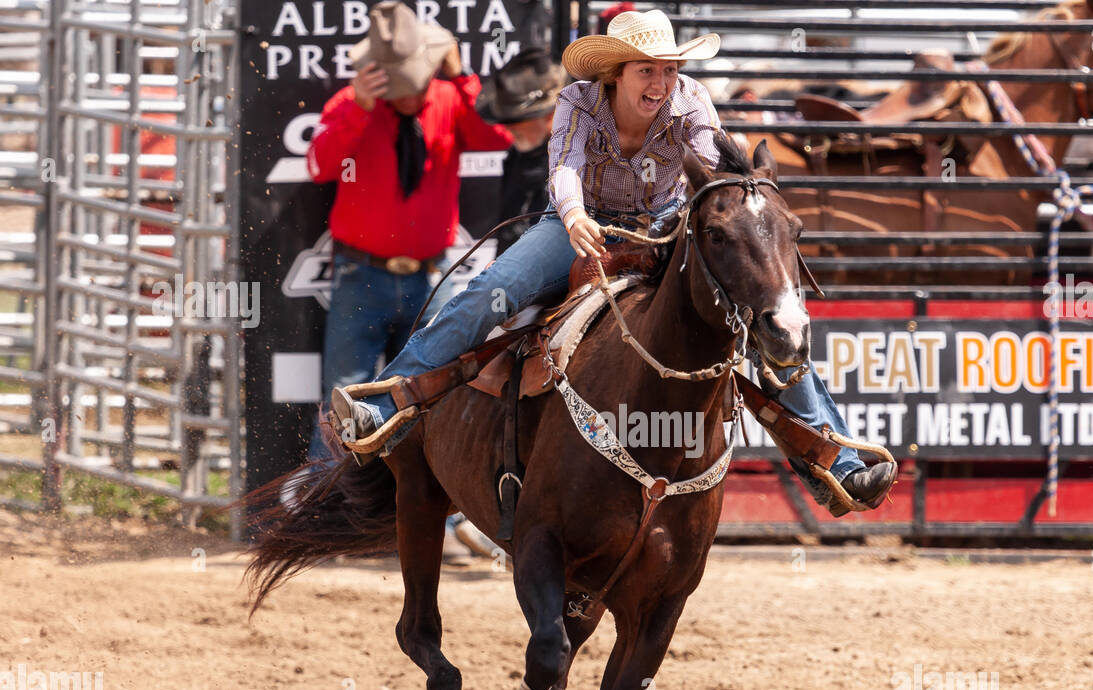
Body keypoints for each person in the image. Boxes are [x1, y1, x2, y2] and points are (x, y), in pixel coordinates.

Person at [330, 8, 894, 515]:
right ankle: (386, 402)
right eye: (647, 70)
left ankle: (833, 459)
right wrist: (573, 215)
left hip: (669, 228)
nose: (662, 81)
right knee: (490, 292)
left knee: (766, 316)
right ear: (617, 73)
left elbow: (706, 165)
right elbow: (566, 166)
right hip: (580, 227)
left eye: (669, 69)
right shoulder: (577, 99)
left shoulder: (691, 101)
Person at [303, 0, 514, 462]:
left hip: (431, 274)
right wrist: (357, 109)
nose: (413, 95)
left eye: (420, 81)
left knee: (437, 394)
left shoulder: (450, 98)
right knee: (345, 398)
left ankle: (438, 514)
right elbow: (319, 165)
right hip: (362, 273)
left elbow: (498, 137)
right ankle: (328, 512)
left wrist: (463, 79)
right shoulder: (351, 105)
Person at [475, 47, 568, 255]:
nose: (508, 128)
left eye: (517, 120)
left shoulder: (573, 164)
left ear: (550, 116)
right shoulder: (516, 157)